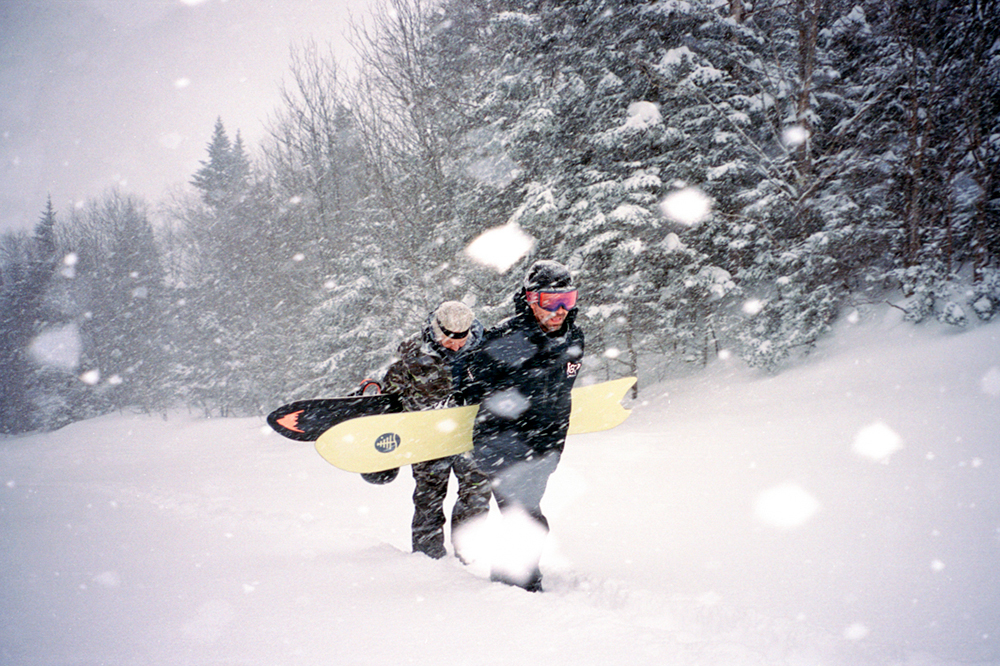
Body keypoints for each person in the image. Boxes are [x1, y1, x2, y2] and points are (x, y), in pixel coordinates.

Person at [461, 260, 584, 591]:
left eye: (567, 300)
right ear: (530, 299)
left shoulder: (574, 338)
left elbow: (560, 396)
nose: (560, 310)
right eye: (550, 301)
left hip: (544, 448)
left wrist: (553, 446)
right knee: (527, 520)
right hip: (502, 445)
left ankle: (510, 578)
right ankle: (519, 584)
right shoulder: (506, 339)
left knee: (524, 516)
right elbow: (466, 381)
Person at [379, 301, 492, 561]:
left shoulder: (486, 349)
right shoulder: (412, 353)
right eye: (448, 338)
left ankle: (469, 556)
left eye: (461, 338)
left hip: (472, 436)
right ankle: (428, 563)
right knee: (428, 500)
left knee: (476, 496)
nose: (455, 345)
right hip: (428, 439)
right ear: (436, 329)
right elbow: (390, 393)